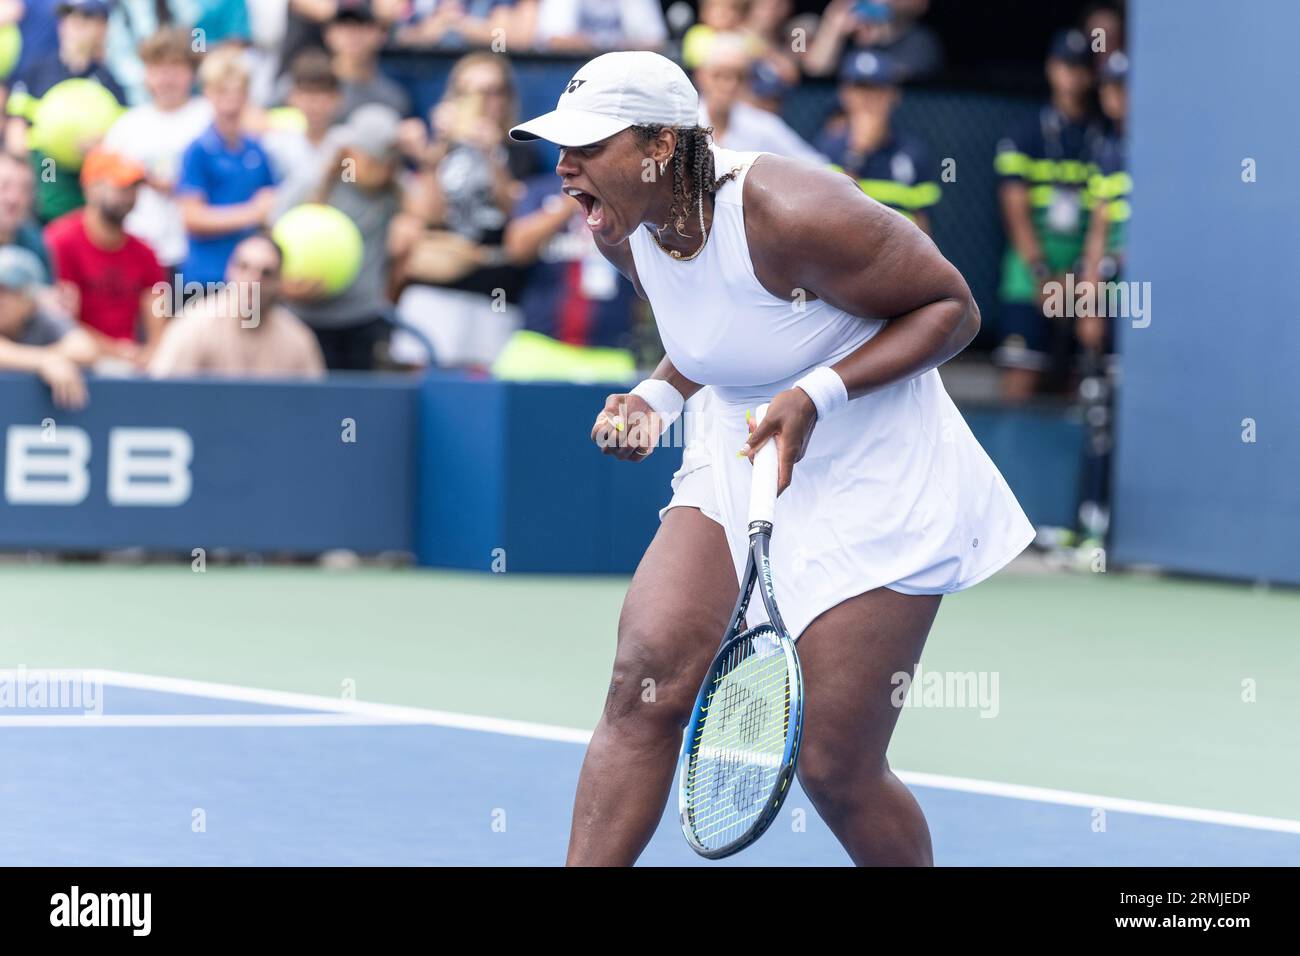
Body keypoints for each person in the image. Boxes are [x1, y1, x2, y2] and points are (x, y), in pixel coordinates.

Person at [509, 51, 1032, 866]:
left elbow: (951, 310)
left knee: (835, 763)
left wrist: (817, 394)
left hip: (878, 468)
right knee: (642, 682)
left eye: (588, 145)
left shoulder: (791, 209)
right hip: (742, 449)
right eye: (559, 146)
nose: (564, 166)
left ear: (657, 147)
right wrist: (660, 397)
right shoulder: (621, 230)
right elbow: (717, 329)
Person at [389, 51, 527, 368]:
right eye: (469, 92)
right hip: (435, 286)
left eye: (491, 92)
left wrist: (492, 153)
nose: (482, 102)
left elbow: (514, 216)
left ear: (506, 98)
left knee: (481, 396)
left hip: (493, 291)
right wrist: (434, 151)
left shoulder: (520, 150)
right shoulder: (441, 149)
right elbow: (429, 215)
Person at [992, 28, 1105, 401]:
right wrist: (1042, 273)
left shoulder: (1102, 138)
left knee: (1080, 382)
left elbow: (1106, 217)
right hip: (1028, 279)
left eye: (1080, 67)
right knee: (1021, 377)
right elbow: (1015, 211)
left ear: (1091, 74)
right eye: (1064, 65)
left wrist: (1079, 278)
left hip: (1082, 279)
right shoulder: (1024, 135)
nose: (1072, 76)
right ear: (1051, 69)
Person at [281, 103, 403, 371]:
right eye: (373, 160)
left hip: (363, 320)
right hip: (305, 318)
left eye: (389, 162)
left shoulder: (395, 191)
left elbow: (428, 212)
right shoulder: (309, 183)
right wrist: (285, 286)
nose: (382, 170)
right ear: (350, 152)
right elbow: (270, 238)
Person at [103, 27, 213, 275]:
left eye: (175, 69)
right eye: (157, 70)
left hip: (196, 251)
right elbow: (106, 185)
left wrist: (181, 185)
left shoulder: (209, 117)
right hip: (140, 248)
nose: (167, 79)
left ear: (192, 73)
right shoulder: (127, 125)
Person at [5, 0, 128, 222]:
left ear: (103, 27)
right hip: (40, 192)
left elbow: (121, 148)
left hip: (87, 202)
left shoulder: (111, 83)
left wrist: (100, 148)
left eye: (86, 17)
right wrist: (49, 144)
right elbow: (15, 135)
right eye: (68, 15)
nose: (74, 23)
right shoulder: (35, 72)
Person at [44, 146, 165, 363]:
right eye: (120, 186)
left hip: (132, 361)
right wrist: (117, 352)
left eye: (134, 187)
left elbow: (157, 318)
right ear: (91, 188)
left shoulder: (145, 251)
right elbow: (59, 320)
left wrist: (152, 354)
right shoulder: (60, 241)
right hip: (77, 358)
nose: (129, 194)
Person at [150, 231, 325, 377]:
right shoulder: (194, 326)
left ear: (280, 281)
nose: (253, 280)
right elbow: (163, 396)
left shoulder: (297, 338)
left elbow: (314, 405)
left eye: (266, 273)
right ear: (229, 270)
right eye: (244, 267)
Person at [176, 44, 278, 288]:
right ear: (208, 93)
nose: (231, 97)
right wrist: (253, 213)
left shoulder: (257, 148)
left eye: (238, 89)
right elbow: (193, 218)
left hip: (250, 278)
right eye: (222, 90)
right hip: (207, 276)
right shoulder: (198, 150)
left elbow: (270, 199)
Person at [814, 49, 940, 234]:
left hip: (899, 258)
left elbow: (923, 228)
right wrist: (857, 152)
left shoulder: (914, 153)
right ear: (844, 94)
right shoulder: (826, 149)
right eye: (860, 88)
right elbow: (826, 215)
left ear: (894, 95)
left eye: (876, 88)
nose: (867, 99)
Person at [695, 31, 825, 165]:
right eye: (719, 75)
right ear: (701, 76)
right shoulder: (683, 124)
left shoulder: (764, 126)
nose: (729, 85)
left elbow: (814, 164)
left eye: (739, 77)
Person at [0, 243, 98, 408]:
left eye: (6, 292)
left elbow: (86, 349)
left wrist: (49, 359)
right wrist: (44, 360)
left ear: (29, 299)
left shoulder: (42, 317)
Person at [263, 48, 343, 214]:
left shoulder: (347, 145)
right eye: (307, 94)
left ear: (337, 98)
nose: (314, 104)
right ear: (292, 97)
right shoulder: (275, 145)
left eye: (322, 94)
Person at [805, 0, 941, 82]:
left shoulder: (921, 42)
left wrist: (880, 32)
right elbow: (815, 72)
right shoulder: (847, 37)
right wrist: (832, 30)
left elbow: (889, 80)